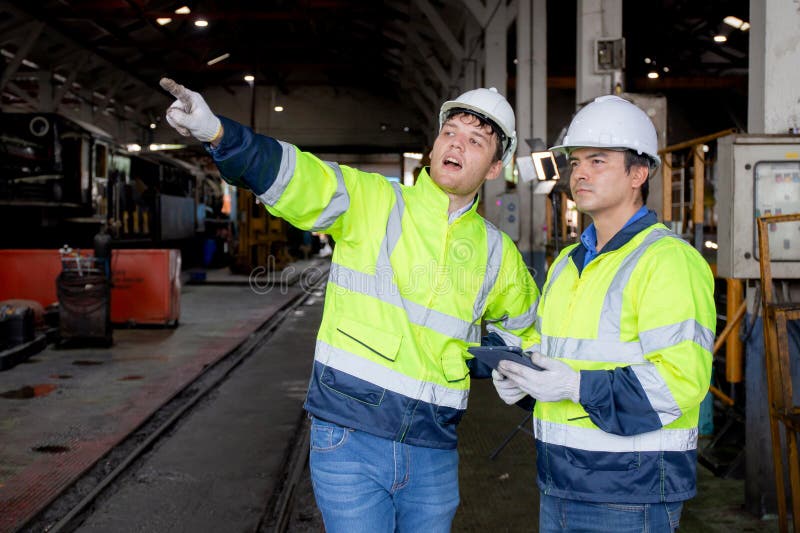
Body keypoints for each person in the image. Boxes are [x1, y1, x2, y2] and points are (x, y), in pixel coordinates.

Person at [160, 78, 540, 532]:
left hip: (433, 446)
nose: (456, 144)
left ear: (495, 167)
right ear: (435, 144)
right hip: (351, 438)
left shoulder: (497, 253)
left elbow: (526, 331)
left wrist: (493, 362)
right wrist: (220, 134)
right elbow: (297, 176)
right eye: (449, 132)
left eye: (475, 140)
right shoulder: (372, 200)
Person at [491, 95, 716, 532]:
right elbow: (557, 354)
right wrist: (525, 381)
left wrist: (575, 385)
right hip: (560, 480)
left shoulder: (667, 261)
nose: (579, 173)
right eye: (576, 162)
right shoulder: (568, 262)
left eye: (597, 161)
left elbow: (679, 381)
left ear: (638, 173)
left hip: (630, 490)